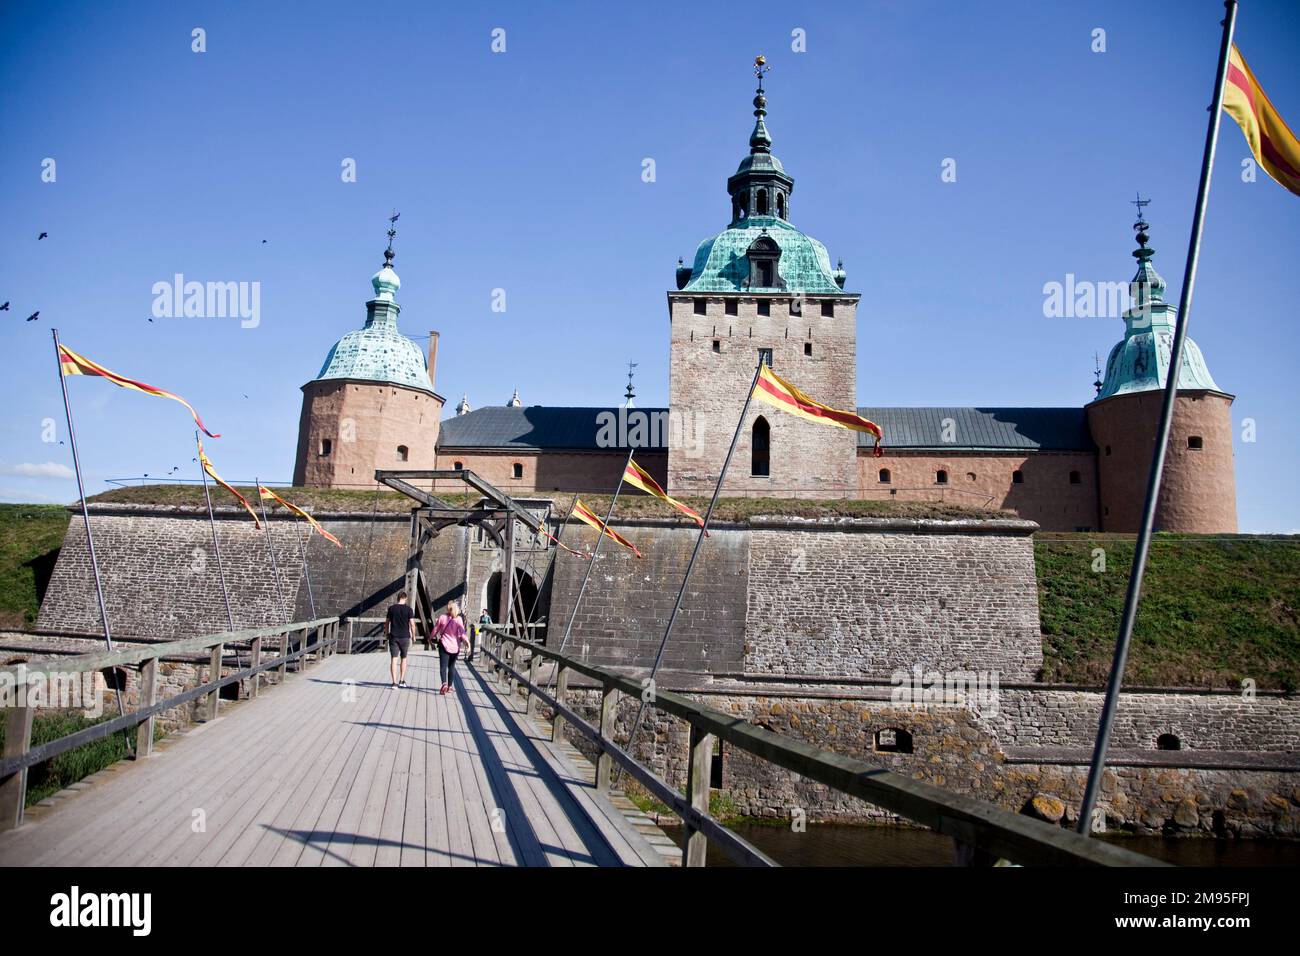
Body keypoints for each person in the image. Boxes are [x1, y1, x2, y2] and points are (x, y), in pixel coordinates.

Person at [432, 600, 467, 696]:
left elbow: (435, 629)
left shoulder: (442, 617)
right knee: (452, 666)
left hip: (444, 645)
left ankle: (444, 684)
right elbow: (462, 633)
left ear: (448, 608)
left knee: (443, 666)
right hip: (455, 647)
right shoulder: (459, 619)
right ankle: (450, 686)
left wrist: (431, 637)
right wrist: (467, 642)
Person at [385, 591, 417, 688]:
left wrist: (387, 633)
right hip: (405, 637)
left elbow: (386, 623)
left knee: (394, 659)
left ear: (398, 598)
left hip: (393, 636)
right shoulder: (409, 610)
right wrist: (414, 636)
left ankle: (394, 682)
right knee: (404, 658)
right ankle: (401, 681)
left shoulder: (391, 609)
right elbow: (412, 624)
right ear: (405, 598)